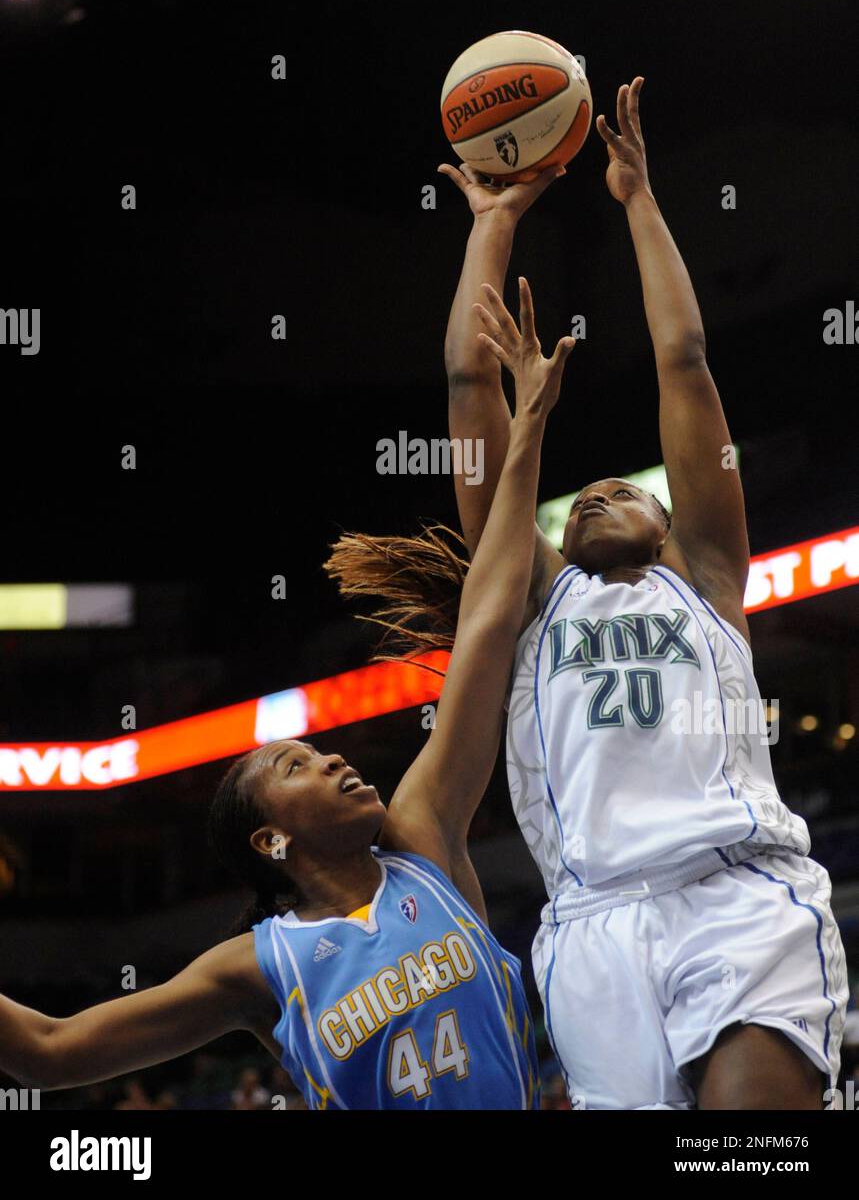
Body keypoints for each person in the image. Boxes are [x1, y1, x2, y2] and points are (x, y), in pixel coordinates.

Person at [0, 280, 571, 1112]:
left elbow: (486, 623)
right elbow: (46, 1053)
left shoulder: (423, 840)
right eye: (297, 765)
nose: (335, 757)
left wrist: (526, 435)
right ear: (270, 839)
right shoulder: (256, 968)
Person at [437, 75, 848, 1109]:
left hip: (734, 897)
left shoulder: (706, 579)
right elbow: (466, 388)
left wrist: (637, 198)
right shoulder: (533, 603)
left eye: (625, 488)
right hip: (590, 930)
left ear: (672, 524)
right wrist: (492, 225)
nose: (599, 495)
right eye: (578, 498)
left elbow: (684, 358)